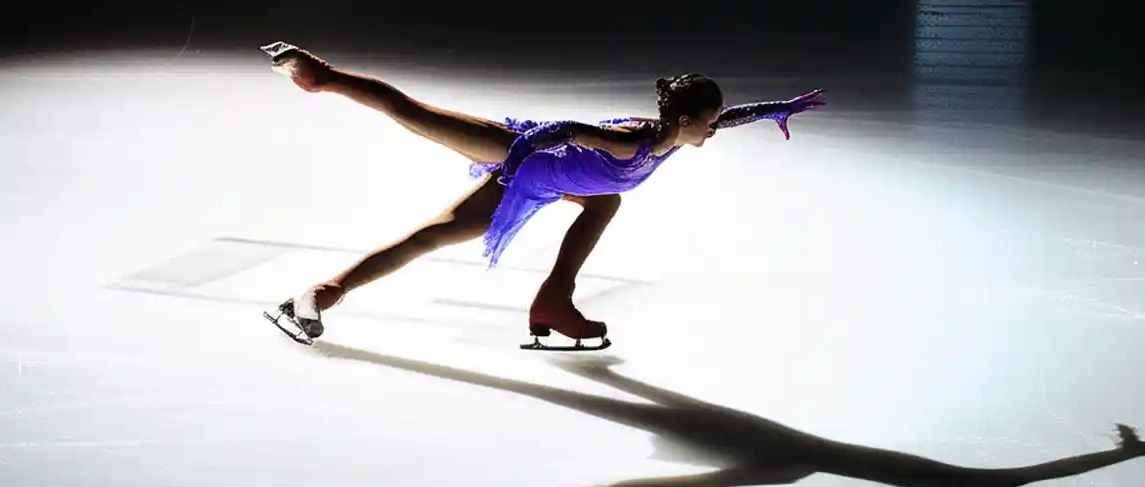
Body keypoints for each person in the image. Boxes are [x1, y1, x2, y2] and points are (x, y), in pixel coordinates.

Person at [259, 42, 825, 349]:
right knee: (416, 121)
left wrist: (778, 108)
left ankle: (554, 300)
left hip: (563, 178)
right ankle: (321, 76)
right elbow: (560, 130)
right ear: (681, 119)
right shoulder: (631, 142)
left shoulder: (679, 135)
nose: (713, 130)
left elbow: (732, 117)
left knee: (606, 202)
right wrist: (511, 164)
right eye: (707, 122)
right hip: (521, 157)